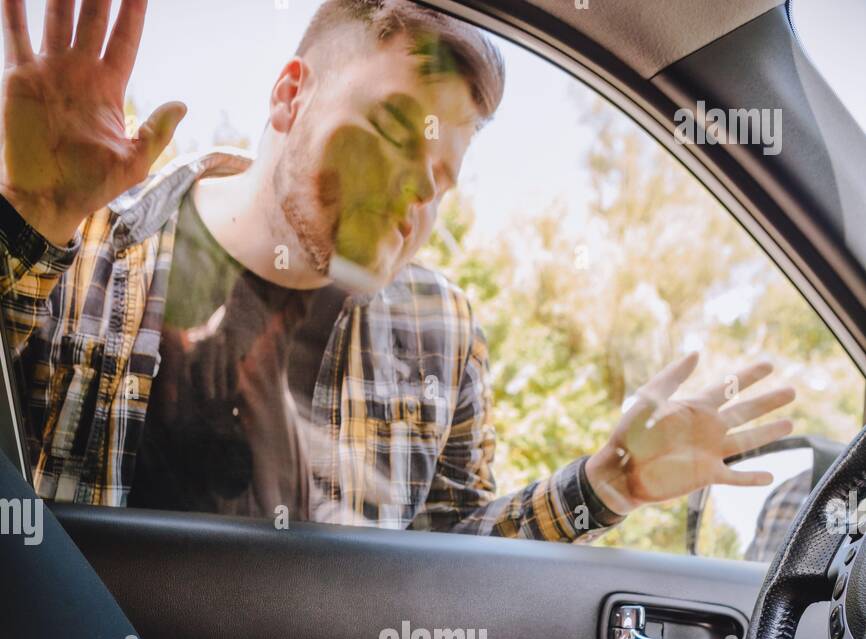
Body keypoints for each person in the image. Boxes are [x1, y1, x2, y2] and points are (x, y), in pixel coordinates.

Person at [0, 0, 795, 535]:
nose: (416, 190)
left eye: (442, 178)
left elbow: (449, 559)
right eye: (392, 132)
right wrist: (26, 217)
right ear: (290, 96)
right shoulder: (82, 243)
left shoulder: (440, 329)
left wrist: (603, 486)